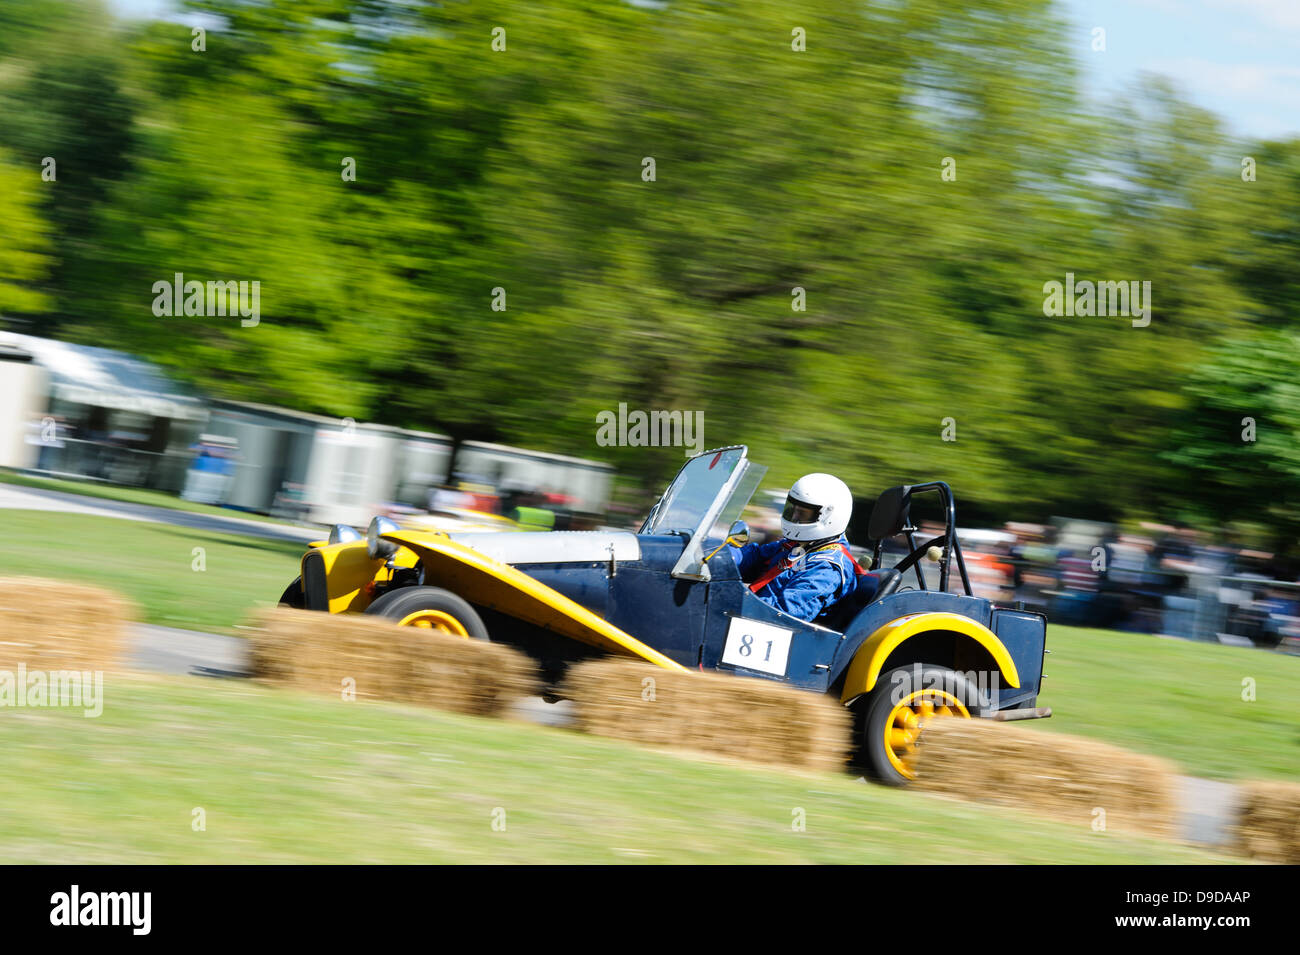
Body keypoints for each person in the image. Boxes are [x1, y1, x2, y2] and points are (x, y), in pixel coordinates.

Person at [731, 473, 858, 622]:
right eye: (794, 510)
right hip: (750, 614)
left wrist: (733, 603)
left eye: (802, 513)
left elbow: (782, 615)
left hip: (767, 628)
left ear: (828, 517)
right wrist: (717, 557)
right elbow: (753, 556)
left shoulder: (826, 568)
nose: (795, 517)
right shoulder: (798, 545)